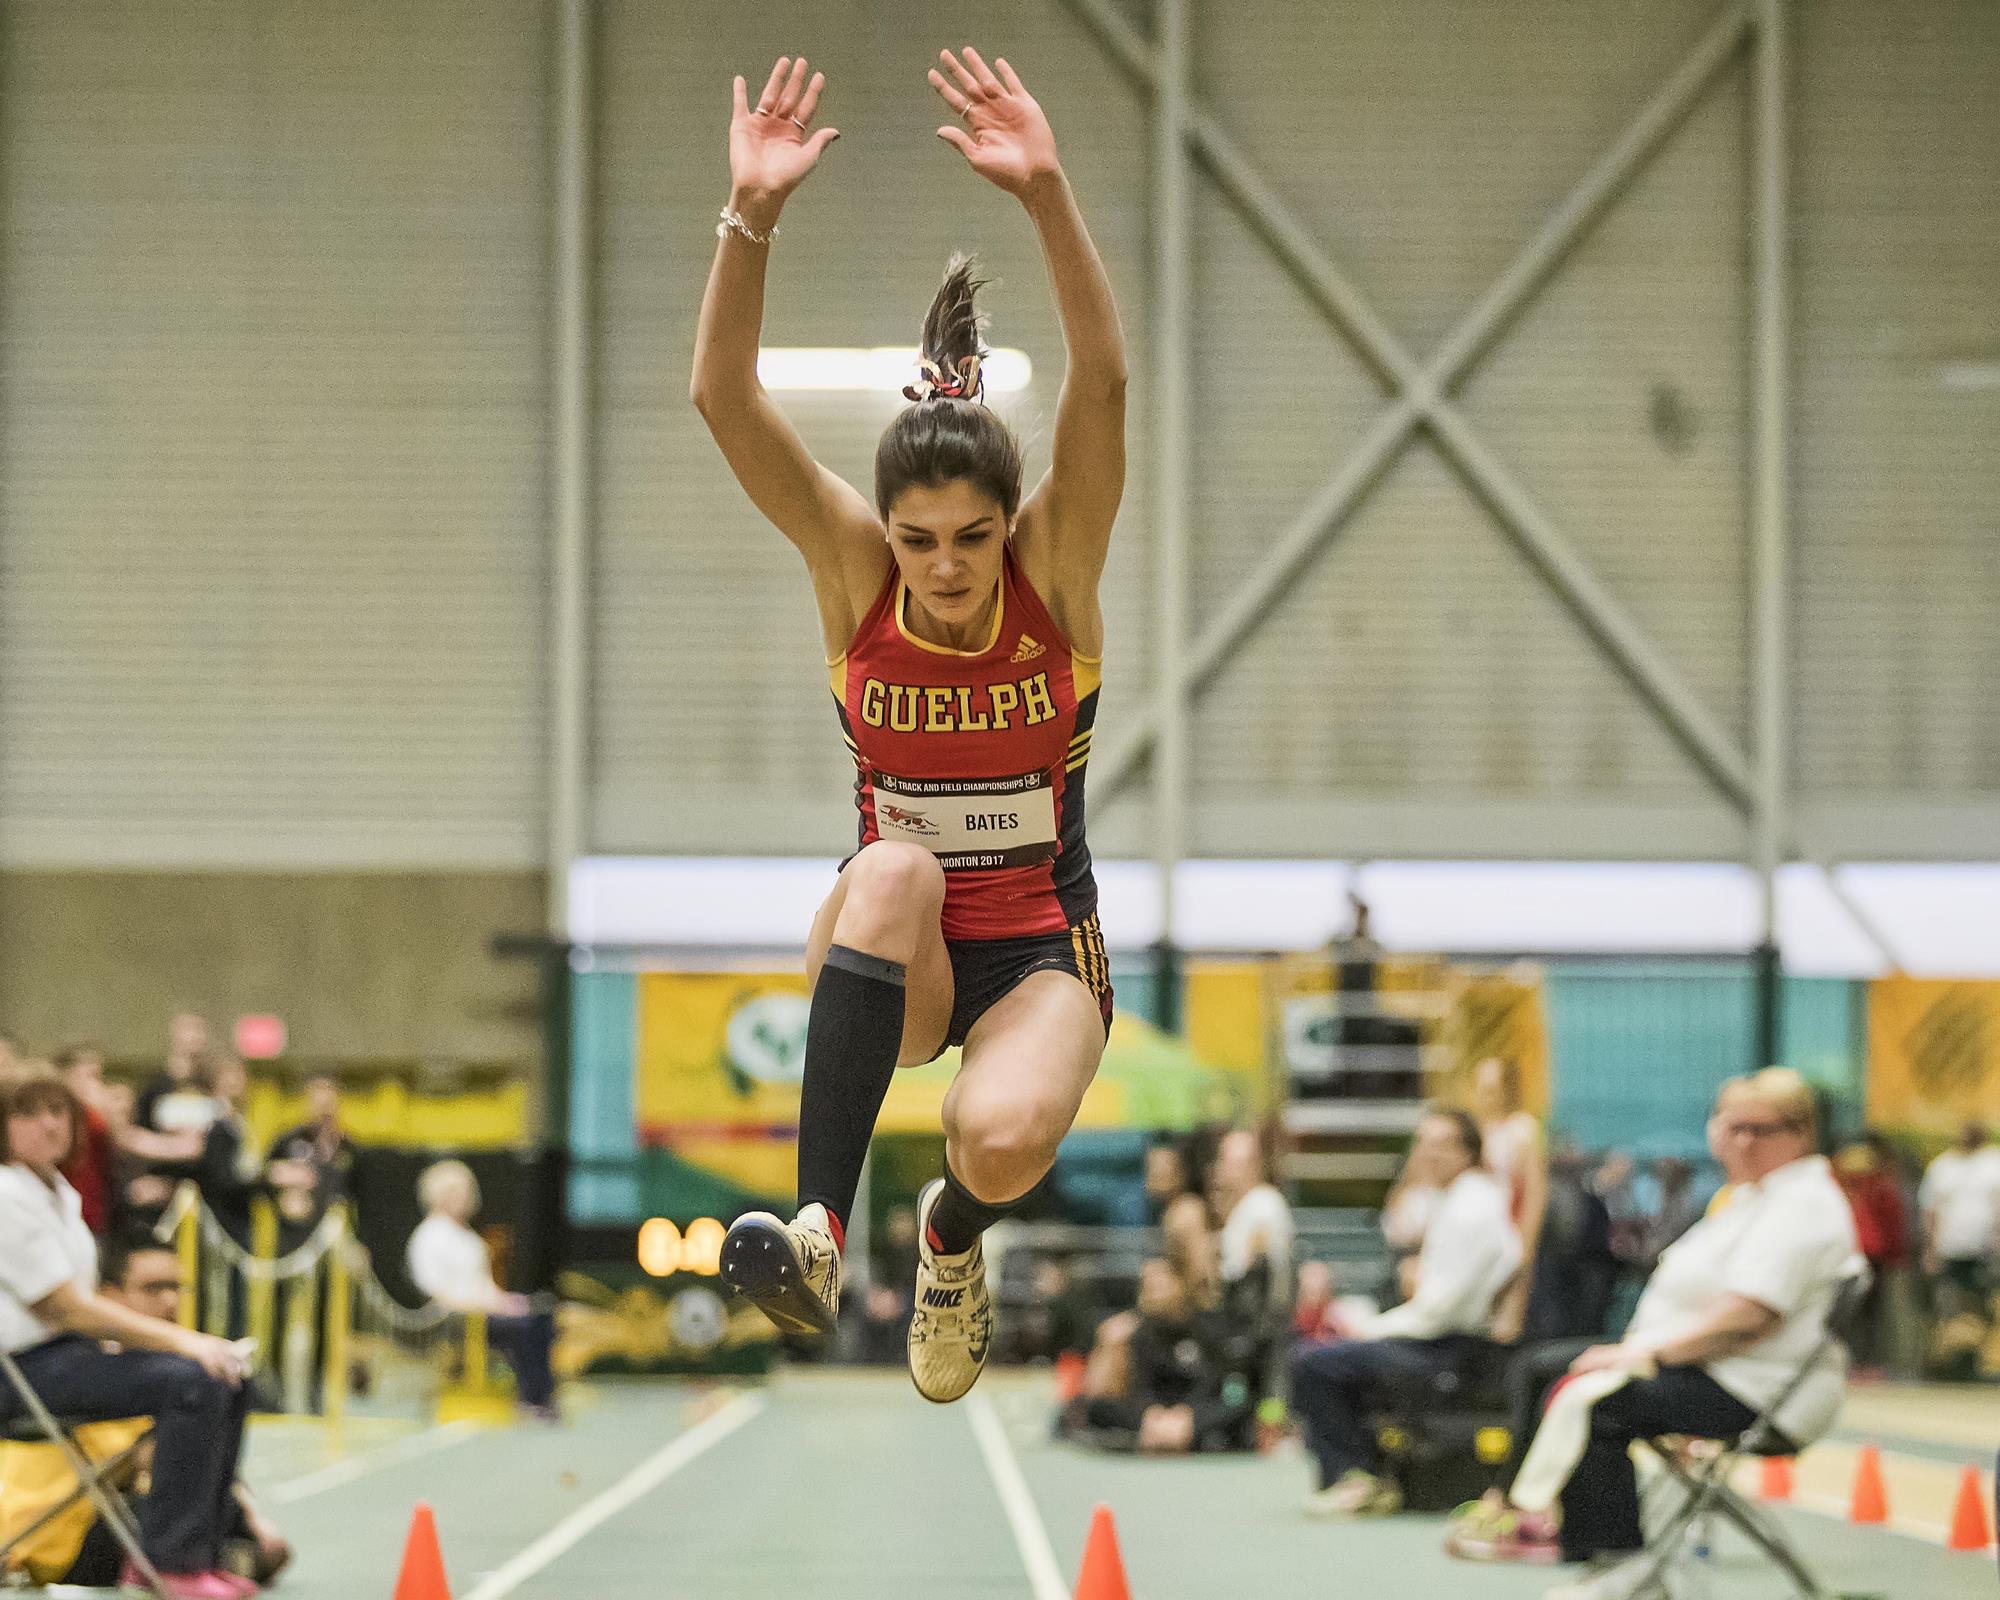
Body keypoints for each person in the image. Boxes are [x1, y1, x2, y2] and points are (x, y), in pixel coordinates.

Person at [697, 47, 1128, 1405]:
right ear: (886, 534)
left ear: (1012, 528)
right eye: (919, 540)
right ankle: (821, 1232)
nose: (945, 568)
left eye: (972, 539)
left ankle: (951, 1239)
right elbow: (725, 399)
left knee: (993, 1141)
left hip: (1040, 950)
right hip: (905, 945)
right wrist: (751, 212)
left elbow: (1103, 391)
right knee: (890, 863)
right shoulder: (855, 583)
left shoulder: (1053, 584)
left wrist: (1049, 194)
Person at [1455, 1070, 1860, 1594]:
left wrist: (1644, 1354)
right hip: (1713, 1368)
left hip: (1757, 1391)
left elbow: (1749, 1317)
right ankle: (1521, 1510)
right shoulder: (1752, 1197)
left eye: (1761, 1129)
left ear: (1801, 1133)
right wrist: (1639, 1351)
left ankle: (1618, 1561)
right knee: (1543, 1365)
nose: (1743, 1141)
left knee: (1600, 1403)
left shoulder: (1802, 1205)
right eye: (1732, 1126)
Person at [0, 1070, 254, 1600]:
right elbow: (67, 1309)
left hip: (64, 1358)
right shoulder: (5, 1195)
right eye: (29, 1112)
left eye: (59, 1112)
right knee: (194, 1379)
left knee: (228, 1375)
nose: (49, 1124)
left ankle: (202, 1555)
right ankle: (168, 1563)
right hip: (19, 1374)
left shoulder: (59, 1193)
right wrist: (184, 1340)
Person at [0, 1236, 292, 1590]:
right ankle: (181, 1565)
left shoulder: (147, 1372)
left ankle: (214, 1558)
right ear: (106, 1296)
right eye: (153, 1288)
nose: (169, 1301)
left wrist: (256, 1523)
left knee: (233, 1516)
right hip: (54, 1538)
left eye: (176, 1288)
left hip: (113, 1514)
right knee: (190, 1416)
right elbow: (153, 1460)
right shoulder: (96, 1375)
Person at [1292, 1108, 1521, 1518]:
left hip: (1451, 1351)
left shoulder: (1472, 1208)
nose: (1427, 1154)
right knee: (1327, 1355)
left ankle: (1357, 1477)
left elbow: (1437, 1312)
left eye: (1440, 1144)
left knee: (1315, 1362)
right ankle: (1366, 1473)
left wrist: (1366, 1329)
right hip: (1438, 1339)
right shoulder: (1456, 1199)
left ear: (1466, 1152)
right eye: (1423, 1143)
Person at [406, 1160, 557, 1418]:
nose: (461, 1197)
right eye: (453, 1191)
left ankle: (538, 1395)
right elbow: (432, 1289)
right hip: (451, 1318)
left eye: (464, 1191)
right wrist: (480, 1305)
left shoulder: (469, 1238)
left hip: (484, 1312)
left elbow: (486, 1287)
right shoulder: (428, 1236)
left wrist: (509, 1302)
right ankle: (533, 1397)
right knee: (520, 1328)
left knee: (540, 1314)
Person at [1469, 1057, 1547, 1343]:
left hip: (1508, 1234)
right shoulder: (1473, 1131)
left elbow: (1534, 1192)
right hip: (1477, 1235)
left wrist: (1525, 1248)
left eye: (1492, 1087)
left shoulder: (1521, 1129)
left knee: (1505, 1325)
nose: (1485, 1095)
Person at [1209, 1128, 1295, 1320]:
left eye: (1227, 1162)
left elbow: (1254, 1269)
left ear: (1251, 1165)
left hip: (1254, 1325)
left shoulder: (1262, 1204)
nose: (1220, 1170)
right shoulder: (1250, 1204)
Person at [1919, 1121, 2000, 1313]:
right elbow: (1930, 1209)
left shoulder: (1994, 1162)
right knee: (1951, 1311)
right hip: (1949, 1249)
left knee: (1986, 1309)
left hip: (1987, 1251)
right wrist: (1930, 1248)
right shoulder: (1942, 1165)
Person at [266, 1073, 356, 1239]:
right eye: (319, 1106)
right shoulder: (288, 1140)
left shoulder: (348, 1147)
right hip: (296, 1234)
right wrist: (280, 1175)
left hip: (337, 1232)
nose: (324, 1113)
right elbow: (263, 1174)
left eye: (328, 1106)